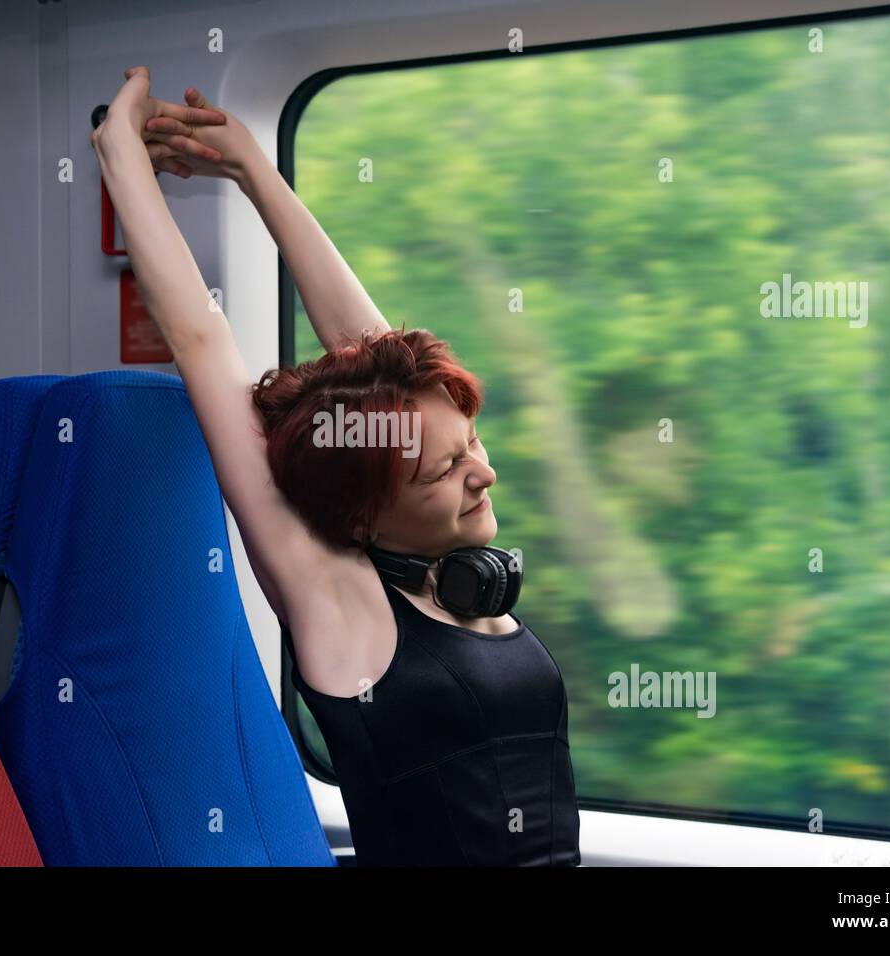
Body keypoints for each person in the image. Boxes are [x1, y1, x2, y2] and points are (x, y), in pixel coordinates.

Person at [90, 66, 580, 866]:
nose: (483, 474)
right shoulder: (338, 601)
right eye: (445, 471)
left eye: (474, 445)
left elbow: (379, 364)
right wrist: (121, 156)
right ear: (363, 516)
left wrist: (256, 171)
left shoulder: (457, 562)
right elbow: (201, 342)